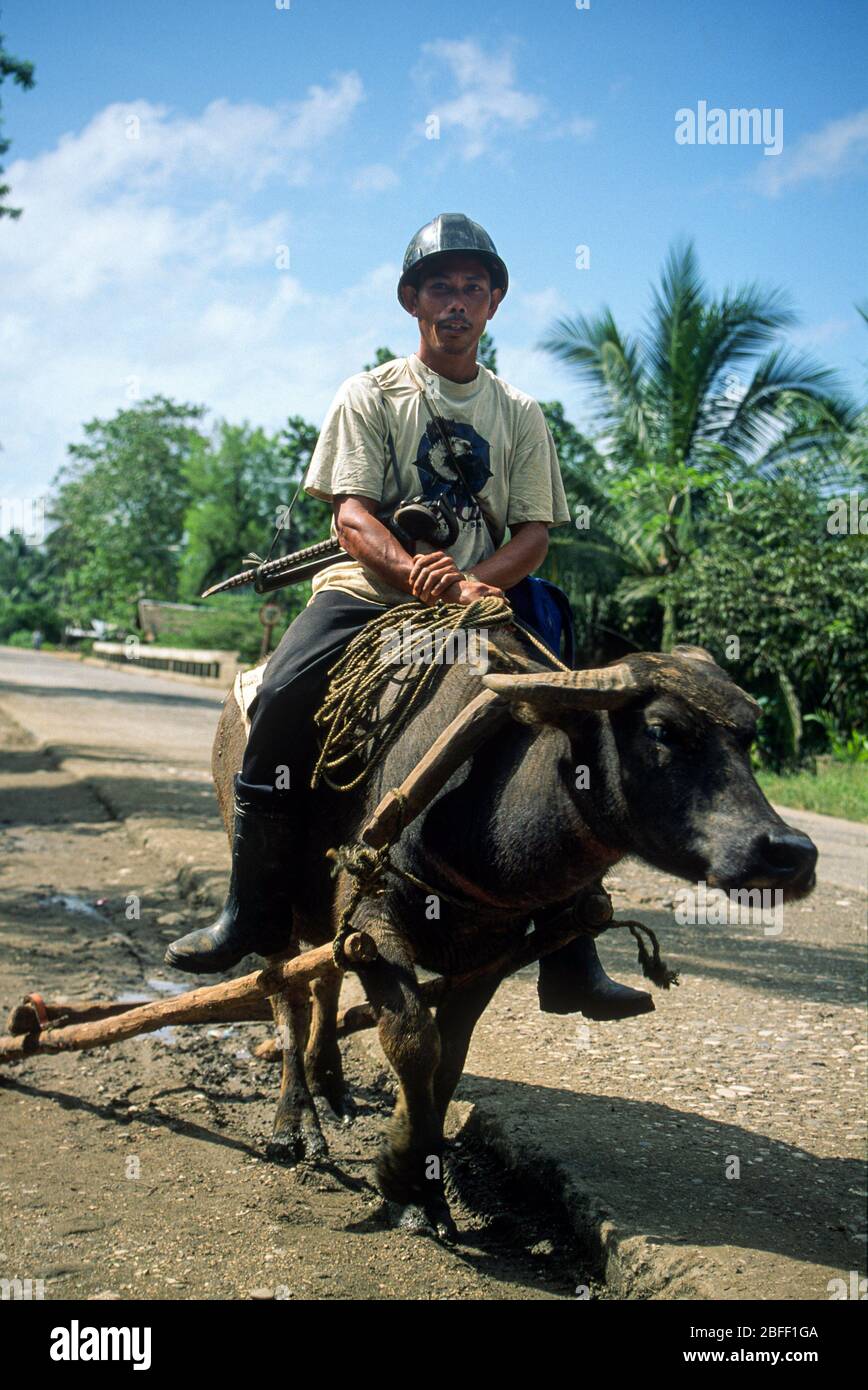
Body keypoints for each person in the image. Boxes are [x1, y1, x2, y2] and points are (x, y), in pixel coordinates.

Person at [166, 213, 652, 1022]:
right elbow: (351, 517)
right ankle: (249, 910)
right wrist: (414, 575)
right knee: (283, 694)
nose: (455, 302)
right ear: (410, 300)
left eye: (472, 287)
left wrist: (467, 584)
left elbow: (531, 533)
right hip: (369, 588)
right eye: (439, 287)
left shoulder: (521, 413)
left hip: (487, 591)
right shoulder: (370, 394)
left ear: (494, 303)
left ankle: (572, 945)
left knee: (575, 718)